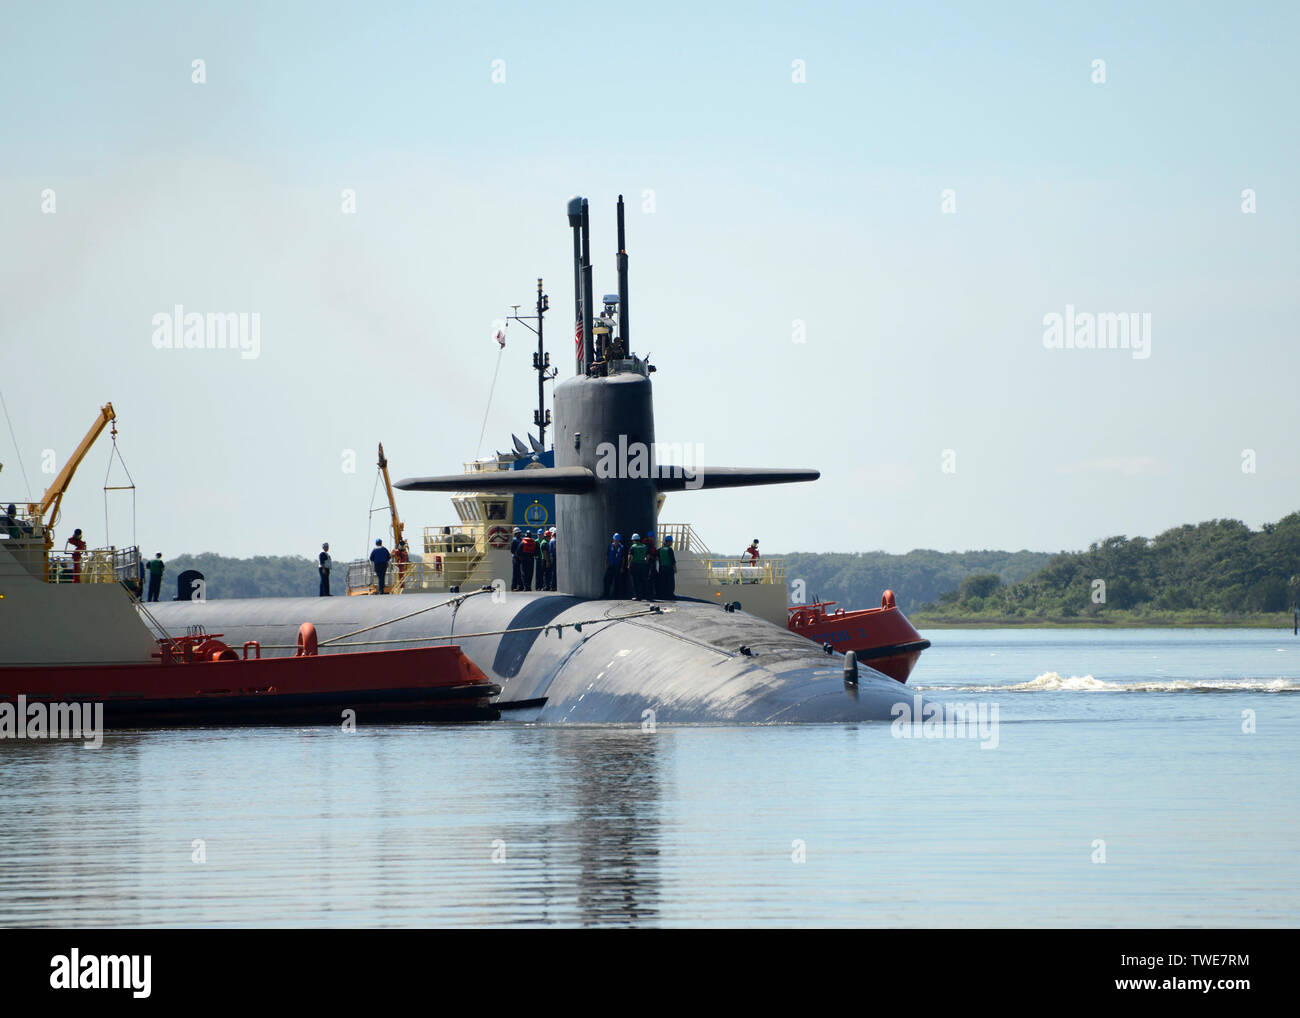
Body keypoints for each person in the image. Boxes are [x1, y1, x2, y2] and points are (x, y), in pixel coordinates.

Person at [627, 533, 650, 601]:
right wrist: (645, 561)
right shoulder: (644, 546)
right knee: (645, 581)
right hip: (643, 566)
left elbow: (629, 556)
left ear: (634, 540)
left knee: (636, 582)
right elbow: (648, 556)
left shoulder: (633, 546)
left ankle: (638, 597)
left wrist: (628, 564)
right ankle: (648, 597)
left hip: (635, 565)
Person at [603, 532, 624, 599]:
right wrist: (606, 565)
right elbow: (607, 556)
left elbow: (623, 558)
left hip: (618, 566)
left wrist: (622, 567)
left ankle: (616, 595)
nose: (616, 542)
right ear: (613, 540)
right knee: (606, 580)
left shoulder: (622, 547)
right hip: (611, 566)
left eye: (617, 540)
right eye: (615, 540)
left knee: (617, 581)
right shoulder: (610, 546)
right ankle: (606, 595)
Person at [658, 534, 677, 599]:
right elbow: (673, 560)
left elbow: (657, 558)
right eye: (671, 542)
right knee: (670, 582)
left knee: (663, 582)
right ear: (668, 542)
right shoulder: (669, 549)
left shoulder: (660, 549)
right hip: (669, 568)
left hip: (662, 568)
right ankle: (670, 595)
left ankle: (663, 594)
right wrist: (675, 569)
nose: (672, 543)